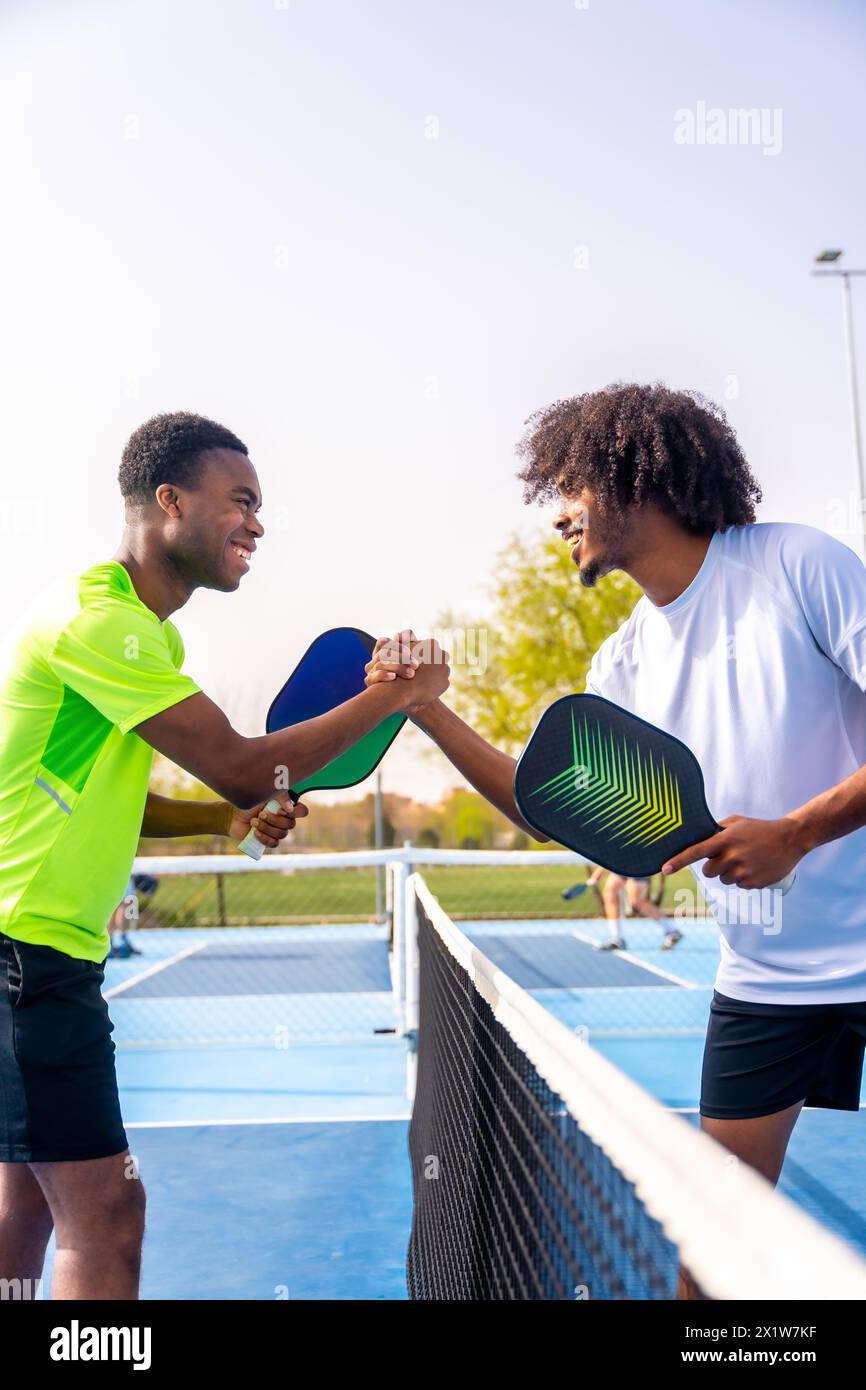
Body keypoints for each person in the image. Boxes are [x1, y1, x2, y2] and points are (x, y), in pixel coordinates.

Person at [366, 382, 866, 1300]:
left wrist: (799, 832)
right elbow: (546, 800)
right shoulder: (625, 661)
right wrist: (427, 711)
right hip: (765, 981)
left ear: (635, 475)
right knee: (715, 1253)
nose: (556, 516)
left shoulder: (799, 566)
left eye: (568, 487)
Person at [0, 411, 449, 1301]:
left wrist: (224, 821)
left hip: (31, 953)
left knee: (23, 1215)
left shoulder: (139, 631)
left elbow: (100, 801)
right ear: (168, 502)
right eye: (240, 501)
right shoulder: (105, 624)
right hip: (29, 961)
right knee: (106, 1218)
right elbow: (251, 763)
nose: (258, 522)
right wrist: (396, 697)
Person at [587, 869, 683, 952]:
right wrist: (600, 870)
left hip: (638, 862)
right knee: (609, 894)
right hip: (621, 863)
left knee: (636, 901)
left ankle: (672, 931)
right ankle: (617, 939)